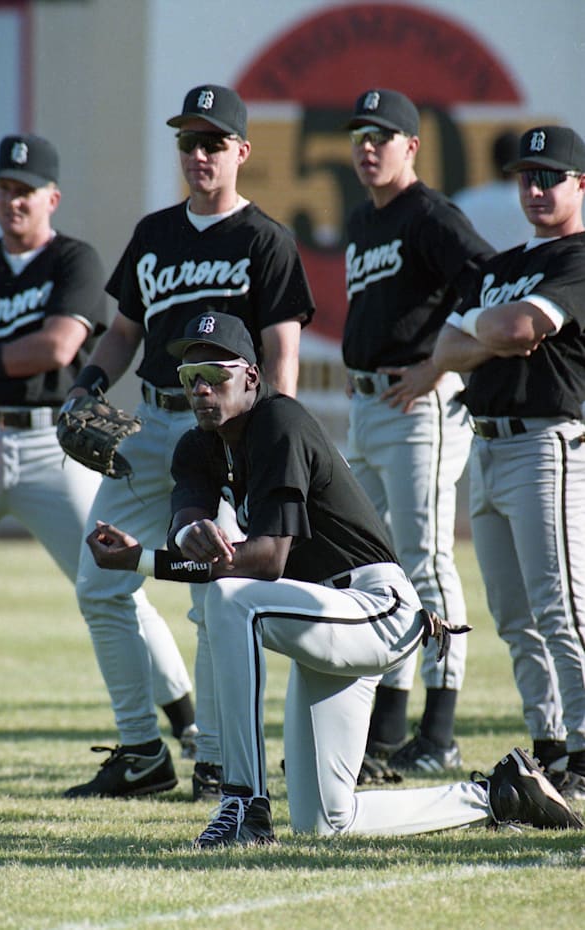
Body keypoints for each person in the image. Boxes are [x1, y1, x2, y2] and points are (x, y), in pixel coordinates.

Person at [85, 310, 583, 847]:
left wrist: (145, 560)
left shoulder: (279, 421)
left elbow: (267, 561)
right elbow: (187, 517)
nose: (201, 388)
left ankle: (243, 803)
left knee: (229, 597)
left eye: (216, 375)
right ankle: (502, 794)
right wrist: (185, 537)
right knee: (325, 821)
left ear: (252, 376)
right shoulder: (196, 446)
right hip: (325, 615)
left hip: (377, 607)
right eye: (189, 378)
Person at [64, 85, 314, 799]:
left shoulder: (264, 239)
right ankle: (142, 754)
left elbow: (281, 349)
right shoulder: (154, 234)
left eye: (212, 142)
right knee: (99, 582)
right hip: (150, 425)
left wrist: (276, 433)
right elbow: (122, 333)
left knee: (215, 595)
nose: (198, 154)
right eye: (187, 142)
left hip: (228, 432)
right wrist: (86, 387)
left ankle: (213, 760)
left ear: (241, 150)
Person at [341, 89, 495, 774]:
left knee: (427, 560)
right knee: (377, 563)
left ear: (413, 146)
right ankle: (385, 730)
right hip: (368, 406)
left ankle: (439, 732)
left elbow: (489, 282)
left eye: (384, 135)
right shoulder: (365, 220)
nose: (368, 146)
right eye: (360, 135)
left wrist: (438, 366)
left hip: (418, 406)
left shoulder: (430, 214)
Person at [432, 124, 585, 802]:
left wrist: (485, 330)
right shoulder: (498, 266)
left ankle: (584, 749)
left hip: (548, 442)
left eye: (550, 175)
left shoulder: (578, 256)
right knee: (514, 615)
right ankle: (551, 745)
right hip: (488, 446)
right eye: (526, 175)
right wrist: (488, 331)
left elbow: (519, 329)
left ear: (581, 184)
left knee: (564, 609)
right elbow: (445, 350)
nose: (535, 187)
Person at [0, 132, 106, 622]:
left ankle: (179, 704)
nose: (12, 200)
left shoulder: (74, 260)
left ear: (52, 198)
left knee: (108, 587)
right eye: (4, 187)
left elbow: (56, 346)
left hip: (55, 446)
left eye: (24, 189)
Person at [452, 129, 533, 251]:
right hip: (524, 268)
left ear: (493, 159)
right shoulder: (535, 204)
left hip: (480, 268)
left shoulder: (464, 201)